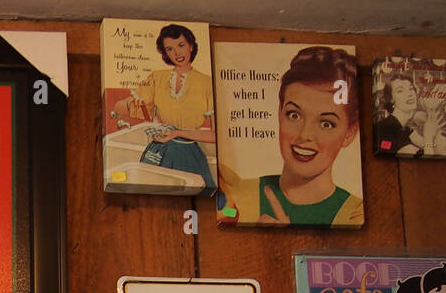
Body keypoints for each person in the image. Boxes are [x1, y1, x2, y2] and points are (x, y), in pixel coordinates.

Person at [218, 46, 363, 226]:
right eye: (294, 115)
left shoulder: (354, 214)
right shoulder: (237, 195)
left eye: (326, 124)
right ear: (280, 112)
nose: (305, 135)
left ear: (350, 133)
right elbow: (224, 213)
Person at [109, 23, 216, 189]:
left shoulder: (207, 83)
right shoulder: (157, 78)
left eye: (181, 45)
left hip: (188, 154)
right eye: (170, 49)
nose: (177, 53)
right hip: (159, 149)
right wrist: (128, 104)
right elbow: (120, 107)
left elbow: (215, 136)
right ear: (165, 53)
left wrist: (177, 133)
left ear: (191, 46)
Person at [374, 75, 421, 156]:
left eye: (411, 89)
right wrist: (429, 137)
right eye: (400, 91)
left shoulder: (406, 130)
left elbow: (430, 146)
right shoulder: (386, 129)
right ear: (391, 99)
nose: (410, 94)